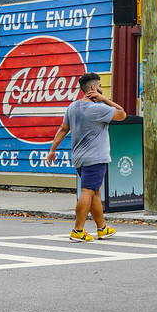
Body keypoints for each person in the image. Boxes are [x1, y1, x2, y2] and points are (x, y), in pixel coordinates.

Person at [46, 72, 127, 242]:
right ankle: (78, 230)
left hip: (79, 158)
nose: (101, 88)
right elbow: (122, 114)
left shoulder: (73, 107)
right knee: (88, 192)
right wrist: (104, 99)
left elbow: (63, 129)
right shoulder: (98, 108)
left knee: (95, 193)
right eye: (100, 86)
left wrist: (52, 149)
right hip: (95, 158)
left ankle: (102, 228)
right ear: (93, 88)